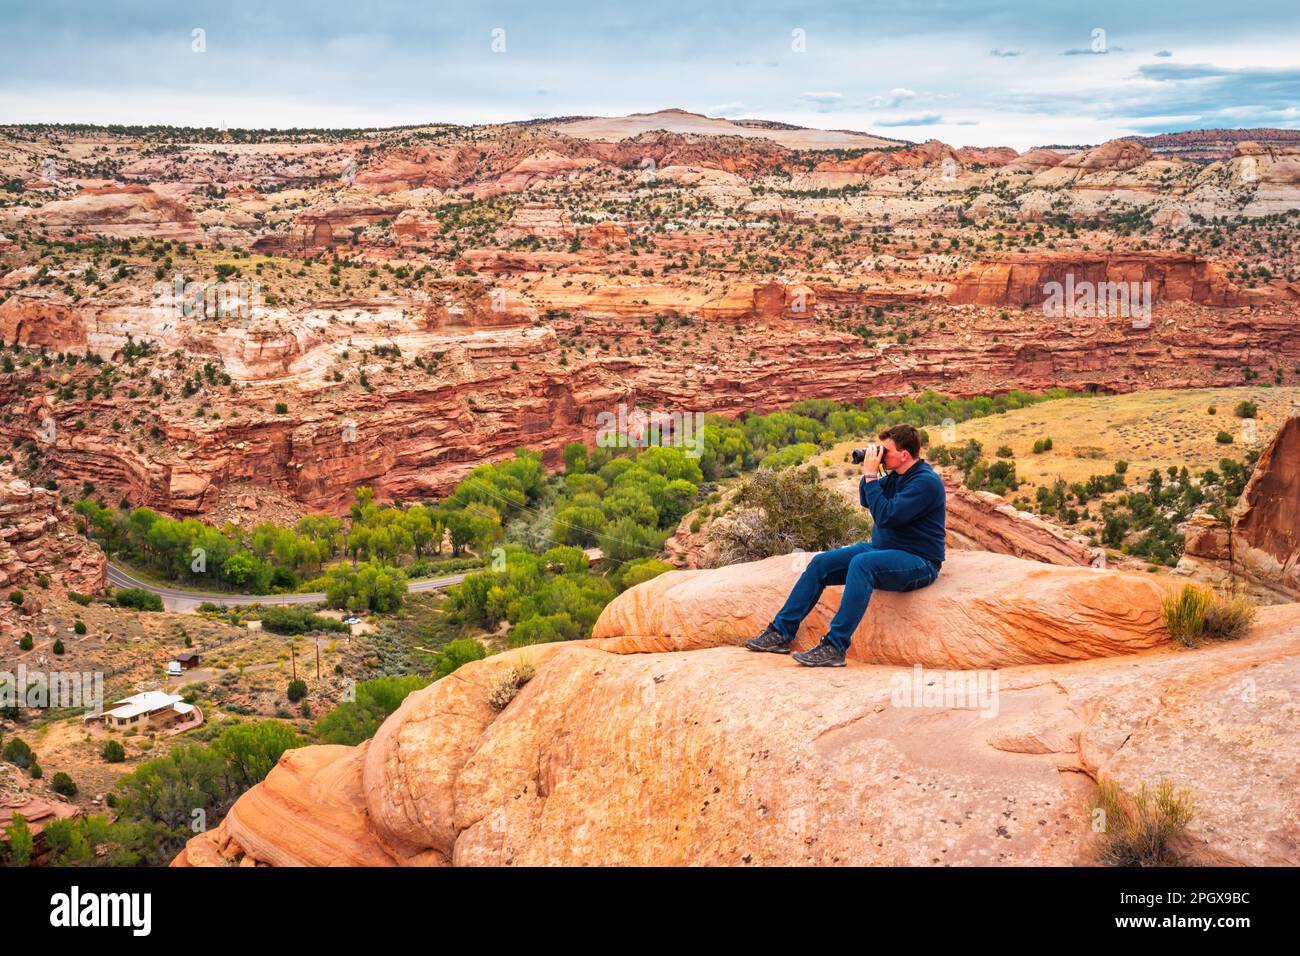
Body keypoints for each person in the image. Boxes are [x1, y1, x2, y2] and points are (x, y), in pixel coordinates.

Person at [745, 423, 946, 666]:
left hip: (918, 560)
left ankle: (834, 647)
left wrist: (872, 476)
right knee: (821, 563)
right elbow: (866, 500)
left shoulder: (925, 482)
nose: (881, 455)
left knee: (863, 564)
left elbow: (886, 515)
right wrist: (869, 472)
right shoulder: (897, 476)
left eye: (886, 451)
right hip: (884, 550)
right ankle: (780, 633)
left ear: (904, 455)